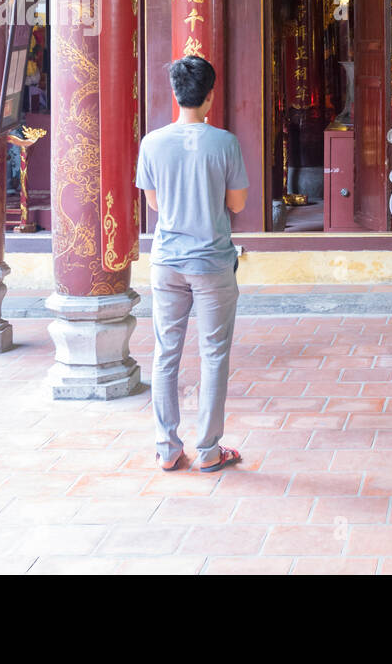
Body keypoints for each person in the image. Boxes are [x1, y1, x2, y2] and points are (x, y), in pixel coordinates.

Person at [135, 56, 248, 473]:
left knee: (166, 352)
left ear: (176, 94)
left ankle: (167, 449)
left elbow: (154, 203)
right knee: (213, 354)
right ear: (211, 96)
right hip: (212, 262)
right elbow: (236, 203)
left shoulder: (152, 143)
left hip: (167, 261)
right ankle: (209, 451)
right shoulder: (224, 143)